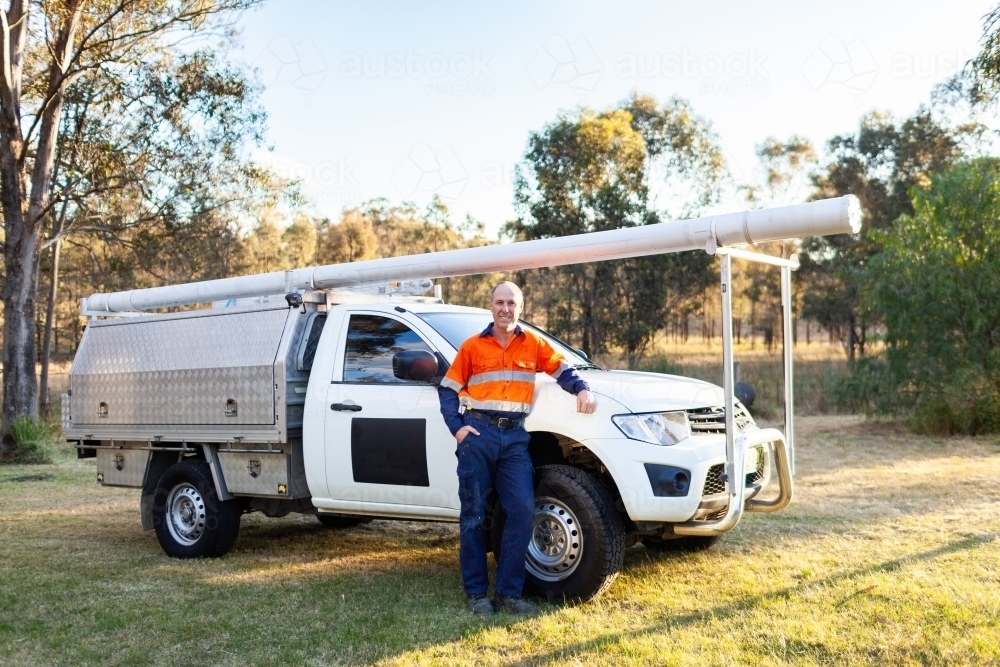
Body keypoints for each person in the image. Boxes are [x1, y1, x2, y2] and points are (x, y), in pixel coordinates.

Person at [437, 281, 597, 615]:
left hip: (514, 440)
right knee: (474, 516)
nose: (505, 309)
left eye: (512, 303)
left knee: (522, 511)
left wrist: (582, 389)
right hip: (477, 435)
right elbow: (448, 389)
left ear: (520, 307)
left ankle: (509, 595)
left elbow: (561, 369)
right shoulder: (472, 348)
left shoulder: (534, 344)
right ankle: (477, 594)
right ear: (490, 305)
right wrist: (458, 428)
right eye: (499, 302)